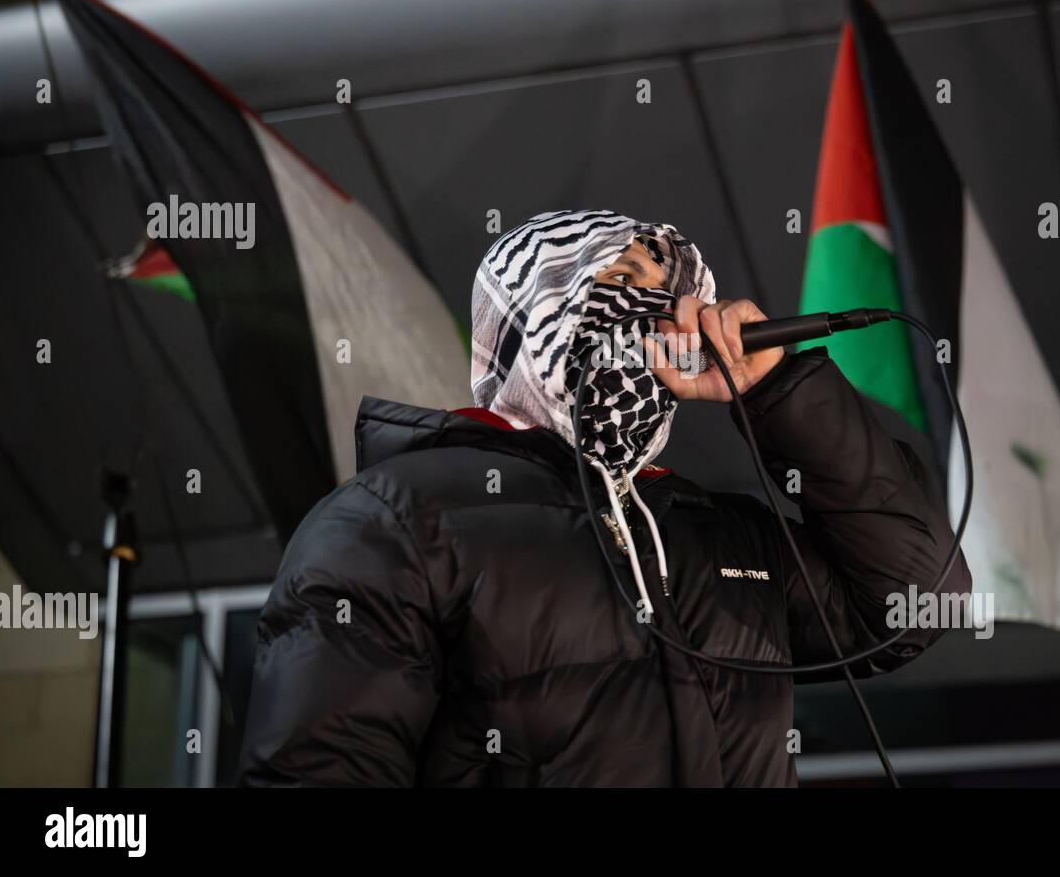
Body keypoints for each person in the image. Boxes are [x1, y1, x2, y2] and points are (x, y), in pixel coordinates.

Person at [237, 209, 971, 787]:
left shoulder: (722, 536)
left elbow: (915, 605)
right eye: (622, 276)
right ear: (533, 312)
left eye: (672, 290)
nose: (659, 308)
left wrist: (777, 391)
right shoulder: (393, 524)